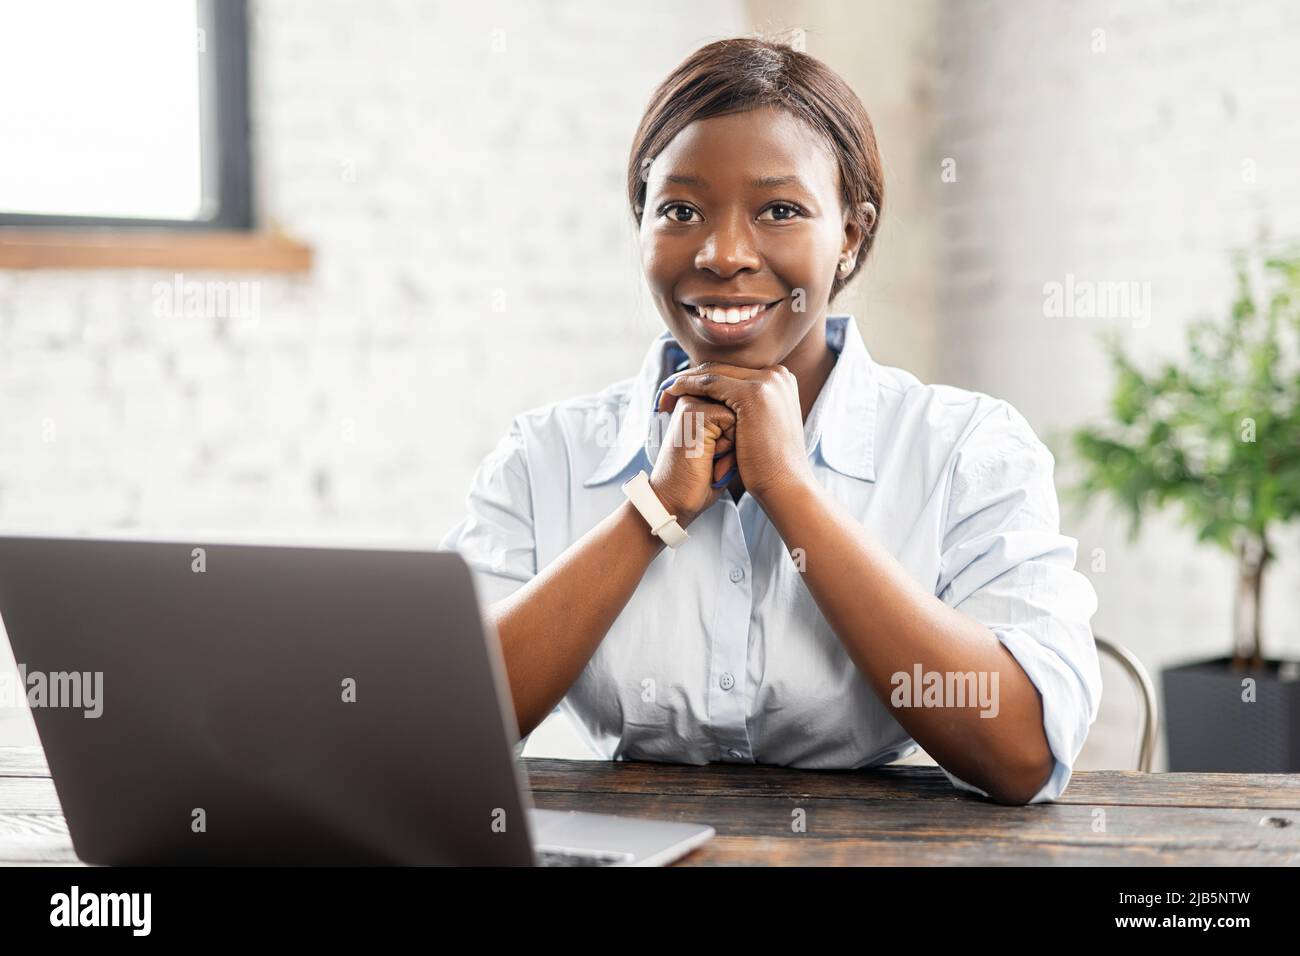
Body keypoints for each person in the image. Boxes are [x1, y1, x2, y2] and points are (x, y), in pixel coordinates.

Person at [441, 37, 1102, 805]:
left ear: (850, 236)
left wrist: (790, 490)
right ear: (641, 225)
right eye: (681, 210)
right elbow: (439, 729)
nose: (723, 253)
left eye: (780, 210)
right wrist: (653, 510)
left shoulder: (965, 448)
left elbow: (1020, 750)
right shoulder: (544, 455)